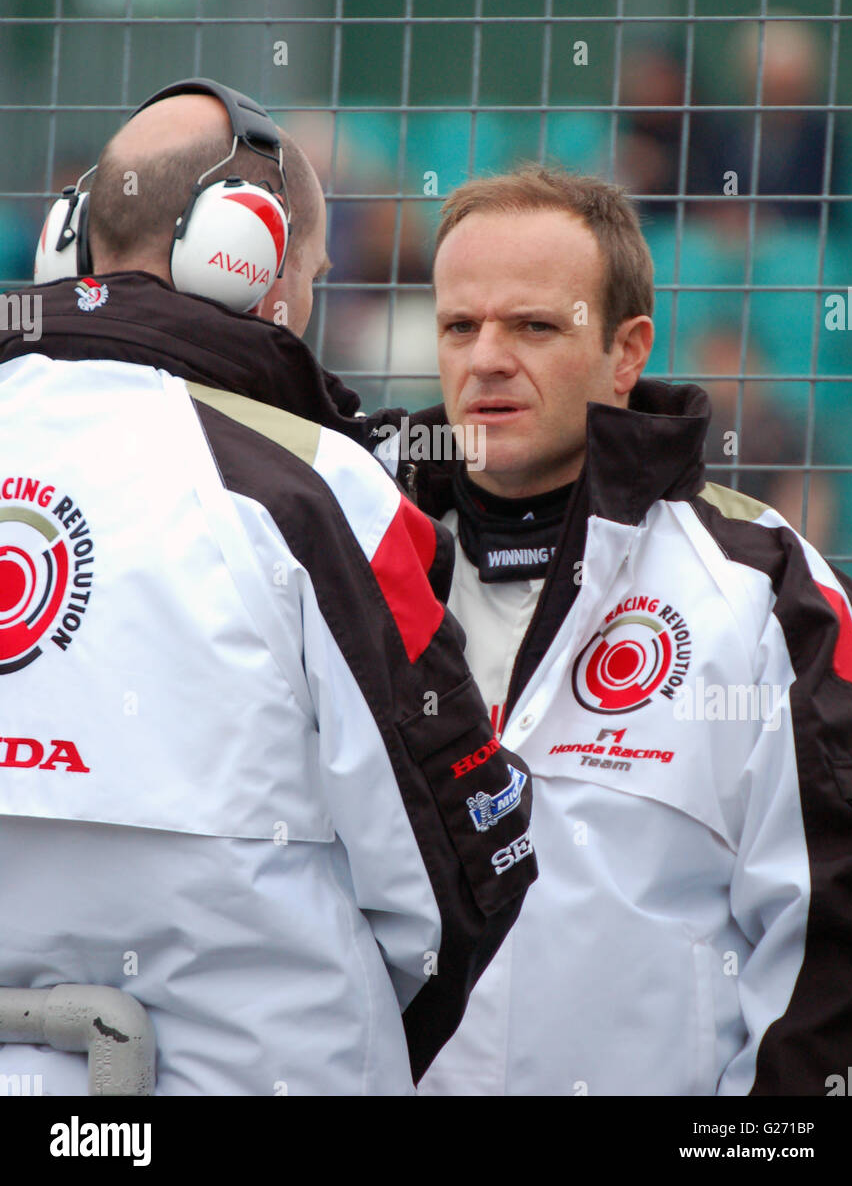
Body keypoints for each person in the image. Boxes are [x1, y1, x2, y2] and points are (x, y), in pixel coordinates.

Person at [0, 79, 536, 1096]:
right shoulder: (319, 487)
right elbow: (458, 865)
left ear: (67, 243)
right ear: (243, 259)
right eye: (312, 275)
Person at [406, 164, 852, 1096]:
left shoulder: (761, 589)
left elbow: (831, 937)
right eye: (461, 326)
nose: (486, 358)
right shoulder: (356, 561)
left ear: (627, 352)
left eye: (534, 325)